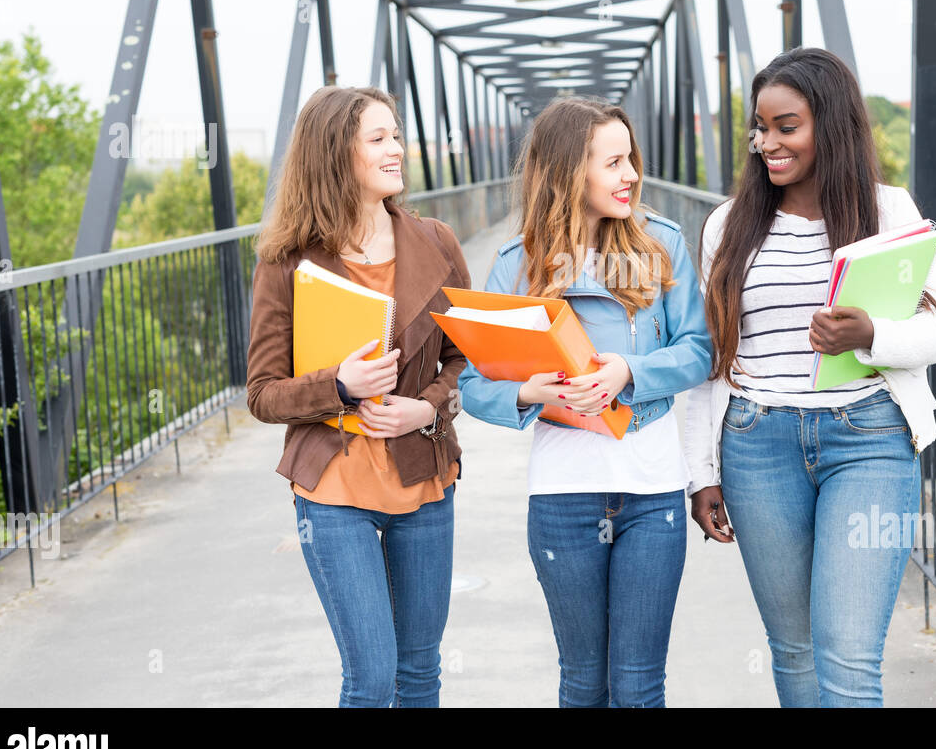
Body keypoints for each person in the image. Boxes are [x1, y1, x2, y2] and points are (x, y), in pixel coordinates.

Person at [684, 47, 936, 707]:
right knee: (796, 651)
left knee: (849, 656)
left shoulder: (888, 211)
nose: (766, 143)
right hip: (756, 443)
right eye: (760, 127)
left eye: (787, 126)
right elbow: (711, 359)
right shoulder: (730, 225)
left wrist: (871, 336)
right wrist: (702, 471)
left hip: (867, 438)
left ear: (830, 126)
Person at [458, 97, 712, 707]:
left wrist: (630, 370)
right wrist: (528, 390)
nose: (631, 176)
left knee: (638, 685)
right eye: (614, 162)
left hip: (652, 491)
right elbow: (472, 383)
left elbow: (700, 350)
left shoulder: (662, 245)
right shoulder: (516, 265)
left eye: (632, 160)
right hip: (563, 493)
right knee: (583, 684)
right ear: (570, 171)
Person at [245, 85, 470, 707]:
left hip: (423, 478)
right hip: (334, 490)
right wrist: (338, 387)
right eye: (378, 139)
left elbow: (464, 359)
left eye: (396, 135)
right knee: (371, 678)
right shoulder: (287, 261)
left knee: (420, 672)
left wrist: (428, 405)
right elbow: (262, 394)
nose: (397, 149)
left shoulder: (438, 242)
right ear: (334, 154)